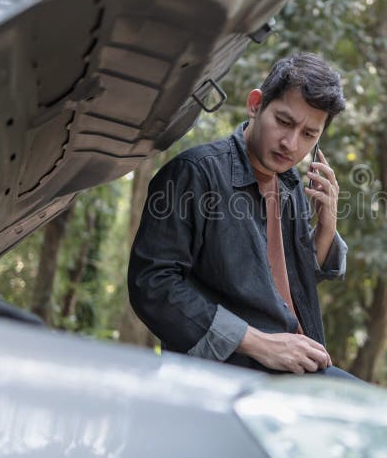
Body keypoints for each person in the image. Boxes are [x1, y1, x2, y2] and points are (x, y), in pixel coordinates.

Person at [128, 52, 354, 378]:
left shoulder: (291, 186)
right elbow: (152, 284)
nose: (291, 143)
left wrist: (326, 225)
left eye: (309, 134)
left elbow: (289, 281)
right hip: (232, 373)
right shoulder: (194, 174)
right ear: (255, 105)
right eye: (284, 122)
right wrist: (259, 343)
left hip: (302, 369)